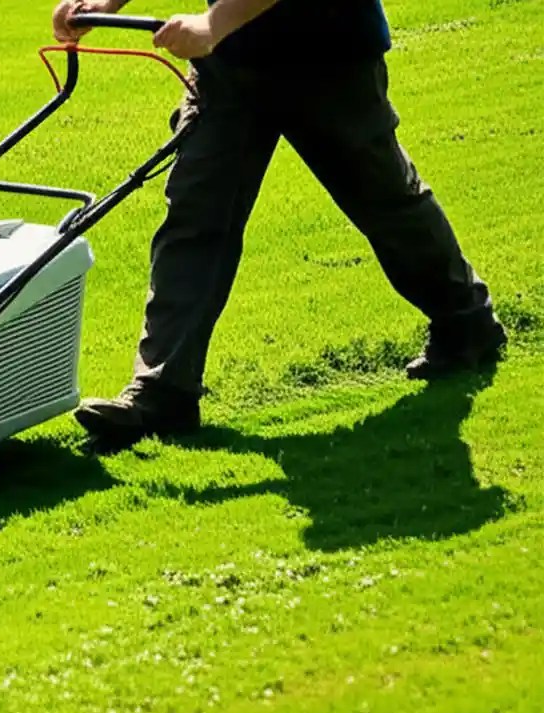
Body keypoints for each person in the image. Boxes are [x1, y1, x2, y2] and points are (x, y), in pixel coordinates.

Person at [51, 0, 508, 446]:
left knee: (385, 202)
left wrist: (212, 24)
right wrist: (100, 3)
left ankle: (466, 323)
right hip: (230, 64)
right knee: (195, 218)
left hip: (329, 51)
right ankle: (162, 389)